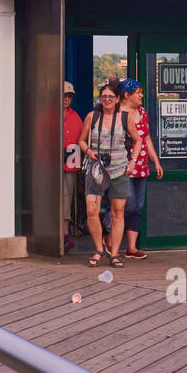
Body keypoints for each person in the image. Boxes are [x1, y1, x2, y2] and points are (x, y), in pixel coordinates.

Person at [78, 80, 143, 269]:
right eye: (104, 96)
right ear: (100, 98)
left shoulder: (125, 117)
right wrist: (88, 150)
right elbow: (81, 140)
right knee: (92, 210)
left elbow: (138, 141)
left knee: (118, 212)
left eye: (110, 97)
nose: (107, 100)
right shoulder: (92, 116)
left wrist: (132, 162)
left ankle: (114, 253)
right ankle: (98, 249)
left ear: (117, 99)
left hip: (119, 169)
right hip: (96, 169)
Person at [119, 78, 163, 260]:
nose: (142, 96)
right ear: (127, 95)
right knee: (126, 206)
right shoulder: (117, 114)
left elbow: (146, 138)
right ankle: (110, 238)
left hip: (142, 167)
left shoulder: (142, 112)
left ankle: (131, 247)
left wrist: (155, 161)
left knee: (137, 206)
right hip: (123, 167)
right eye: (138, 92)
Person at [62, 82, 83, 253]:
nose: (67, 99)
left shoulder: (75, 116)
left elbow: (80, 140)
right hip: (51, 162)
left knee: (67, 198)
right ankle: (62, 235)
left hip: (71, 162)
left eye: (69, 96)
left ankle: (65, 235)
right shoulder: (50, 114)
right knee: (60, 197)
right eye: (64, 95)